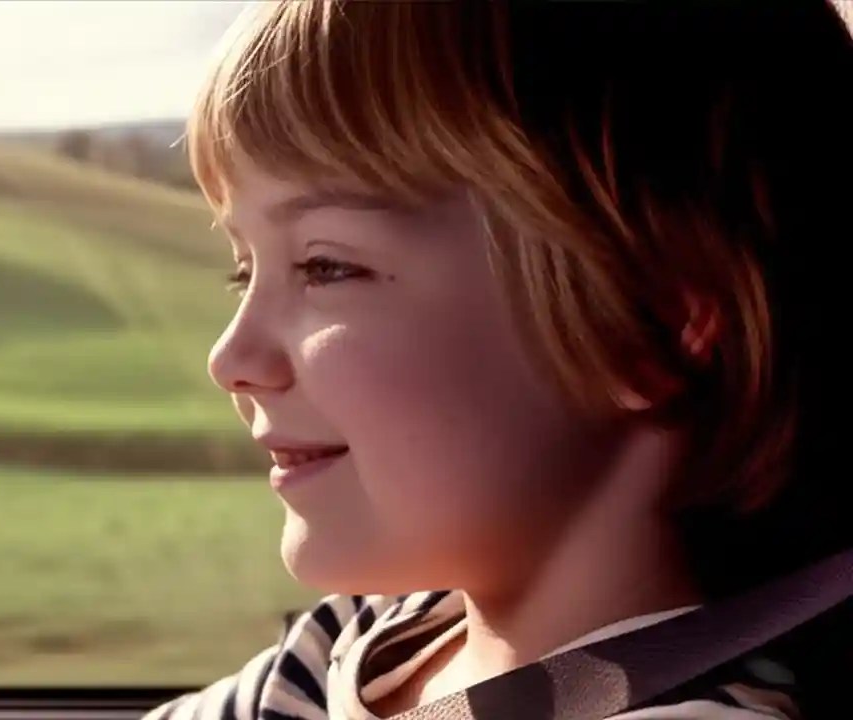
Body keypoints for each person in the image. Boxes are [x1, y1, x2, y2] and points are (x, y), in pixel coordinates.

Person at [144, 1, 853, 718]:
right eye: (243, 271)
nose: (230, 358)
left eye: (326, 267)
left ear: (646, 325)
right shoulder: (348, 647)